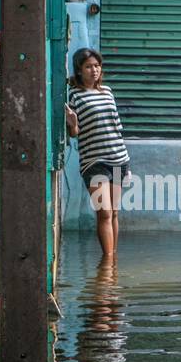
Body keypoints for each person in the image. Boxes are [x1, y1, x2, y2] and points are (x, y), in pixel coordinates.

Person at [65, 48, 130, 259]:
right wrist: (73, 125)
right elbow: (74, 134)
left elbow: (116, 127)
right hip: (94, 162)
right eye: (88, 66)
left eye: (96, 65)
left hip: (119, 158)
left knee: (115, 213)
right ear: (79, 70)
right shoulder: (74, 95)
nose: (94, 70)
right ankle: (108, 264)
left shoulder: (107, 91)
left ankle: (113, 261)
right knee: (104, 213)